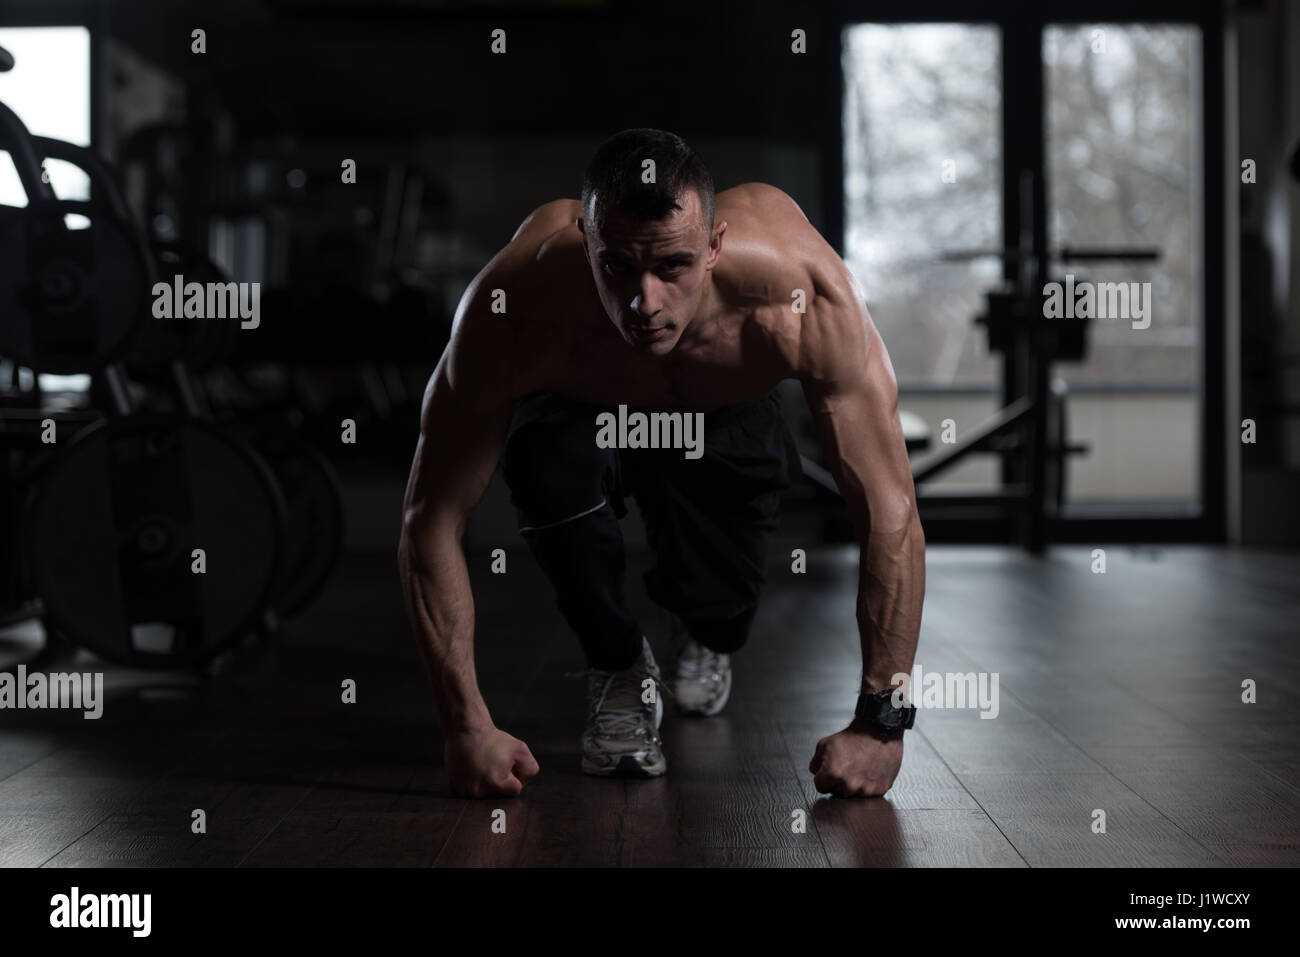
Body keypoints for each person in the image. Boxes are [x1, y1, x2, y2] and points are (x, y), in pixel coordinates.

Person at [399, 128, 924, 798]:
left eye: (672, 266)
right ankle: (618, 666)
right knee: (544, 459)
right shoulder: (513, 306)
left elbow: (891, 511)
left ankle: (702, 627)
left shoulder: (800, 297)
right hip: (583, 408)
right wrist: (464, 727)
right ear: (586, 243)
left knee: (720, 611)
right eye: (617, 266)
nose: (644, 303)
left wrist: (882, 724)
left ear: (715, 246)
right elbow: (430, 519)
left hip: (726, 415)